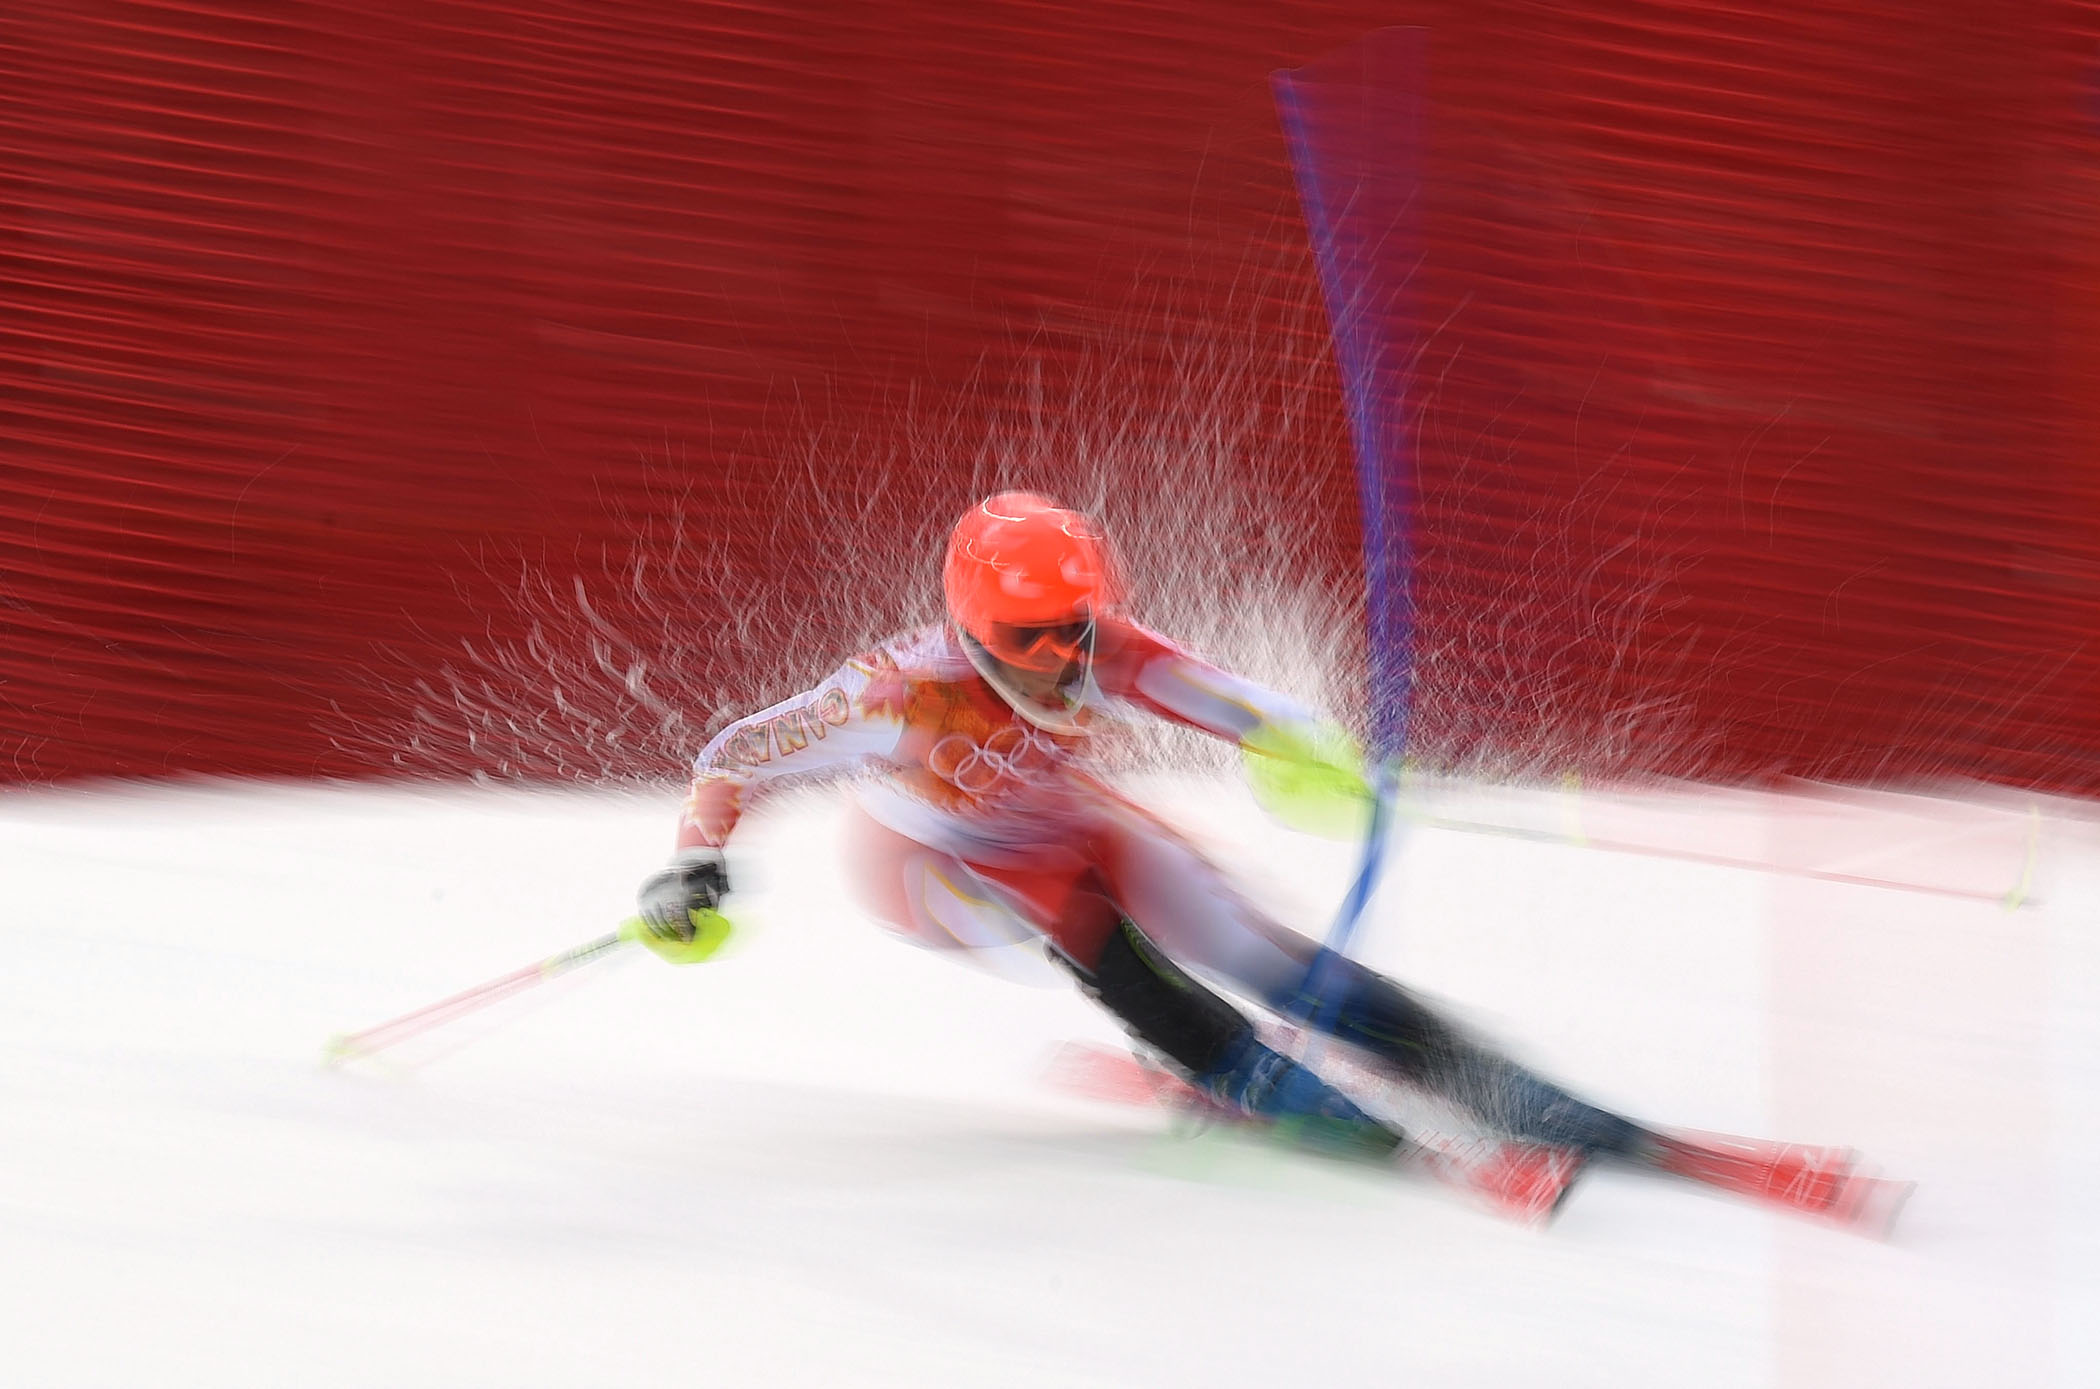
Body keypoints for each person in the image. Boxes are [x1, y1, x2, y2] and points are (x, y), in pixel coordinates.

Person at [631, 491, 1897, 1227]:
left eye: (1081, 633)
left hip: (1073, 828)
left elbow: (1244, 707)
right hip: (937, 874)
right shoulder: (898, 693)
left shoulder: (1093, 643)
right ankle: (1206, 1052)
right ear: (973, 626)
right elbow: (737, 749)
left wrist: (1322, 755)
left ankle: (1485, 1084)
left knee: (1265, 950)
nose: (1073, 666)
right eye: (1037, 644)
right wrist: (697, 865)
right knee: (1098, 930)